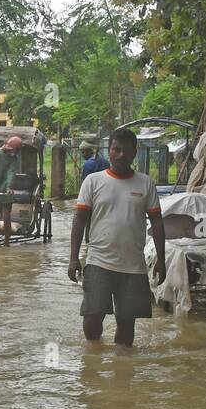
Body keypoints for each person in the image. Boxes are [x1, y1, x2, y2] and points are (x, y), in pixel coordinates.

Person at [68, 128, 166, 346]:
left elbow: (157, 222)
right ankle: (93, 360)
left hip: (133, 266)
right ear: (109, 151)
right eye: (116, 149)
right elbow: (79, 219)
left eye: (126, 150)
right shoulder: (93, 181)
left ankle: (122, 373)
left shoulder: (146, 183)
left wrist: (161, 259)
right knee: (92, 317)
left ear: (134, 153)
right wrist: (73, 258)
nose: (121, 154)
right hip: (98, 262)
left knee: (127, 324)